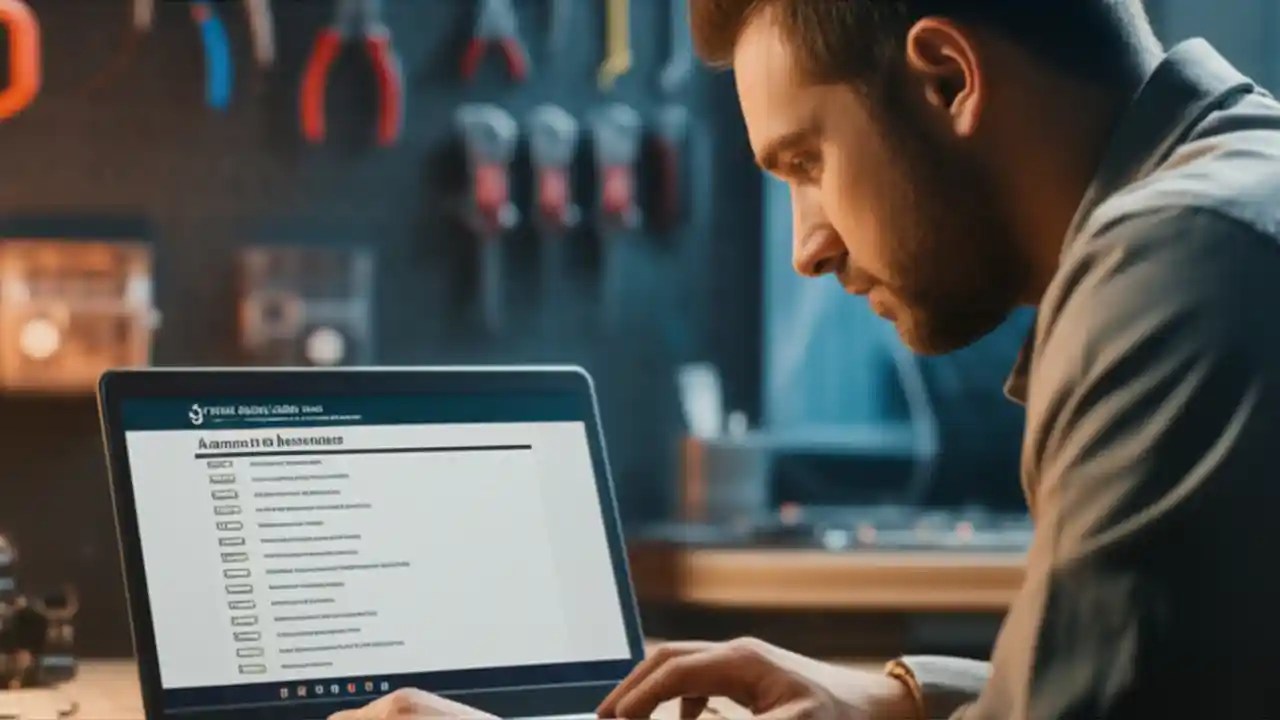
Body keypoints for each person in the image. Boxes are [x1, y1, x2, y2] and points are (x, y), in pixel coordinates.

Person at [335, 0, 1280, 717]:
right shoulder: (1234, 198)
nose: (807, 248)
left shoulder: (1181, 267)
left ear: (947, 78)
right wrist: (901, 699)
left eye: (805, 163)